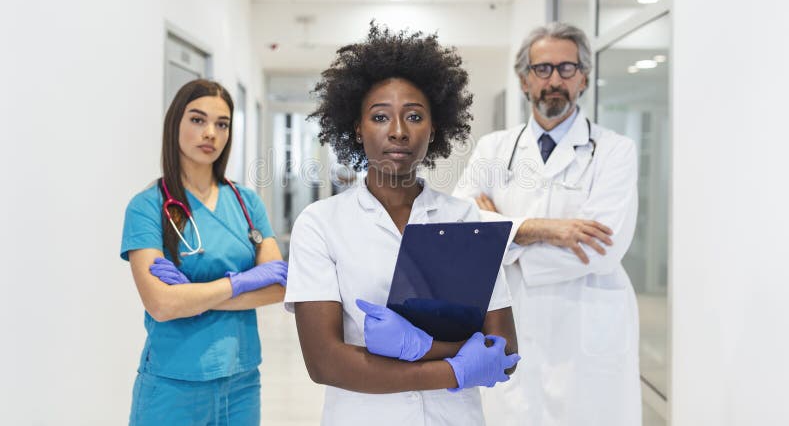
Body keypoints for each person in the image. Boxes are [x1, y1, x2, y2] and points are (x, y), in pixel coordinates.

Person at [285, 23, 521, 426]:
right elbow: (324, 361)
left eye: (414, 116)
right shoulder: (320, 223)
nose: (398, 131)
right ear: (357, 129)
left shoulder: (465, 219)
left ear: (435, 128)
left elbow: (504, 349)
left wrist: (418, 347)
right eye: (380, 117)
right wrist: (453, 366)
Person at [453, 22, 641, 425]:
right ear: (524, 80)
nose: (554, 79)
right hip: (511, 315)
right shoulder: (494, 148)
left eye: (566, 68)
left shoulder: (615, 151)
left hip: (585, 318)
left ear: (584, 77)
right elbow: (460, 228)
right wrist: (544, 229)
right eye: (542, 69)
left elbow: (601, 248)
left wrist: (503, 232)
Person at [120, 79, 288, 425]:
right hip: (173, 383)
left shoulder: (246, 203)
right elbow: (162, 304)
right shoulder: (147, 207)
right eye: (197, 120)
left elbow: (278, 287)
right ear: (175, 124)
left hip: (241, 380)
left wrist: (191, 295)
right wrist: (241, 282)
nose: (210, 132)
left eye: (221, 124)